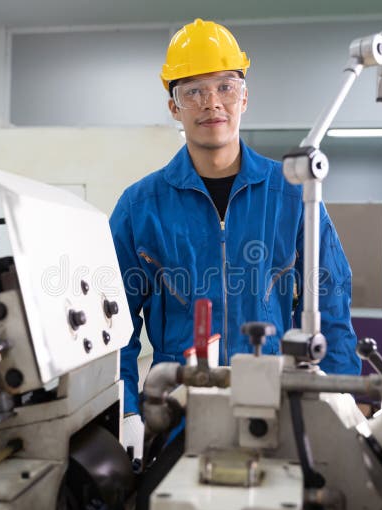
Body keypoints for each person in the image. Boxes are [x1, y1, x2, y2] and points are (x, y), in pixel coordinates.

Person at [109, 19, 360, 452]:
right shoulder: (139, 207)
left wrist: (339, 401)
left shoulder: (293, 194)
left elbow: (331, 308)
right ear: (174, 107)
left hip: (277, 412)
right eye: (193, 91)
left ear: (244, 96)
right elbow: (113, 328)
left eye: (225, 86)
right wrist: (126, 410)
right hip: (176, 420)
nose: (212, 103)